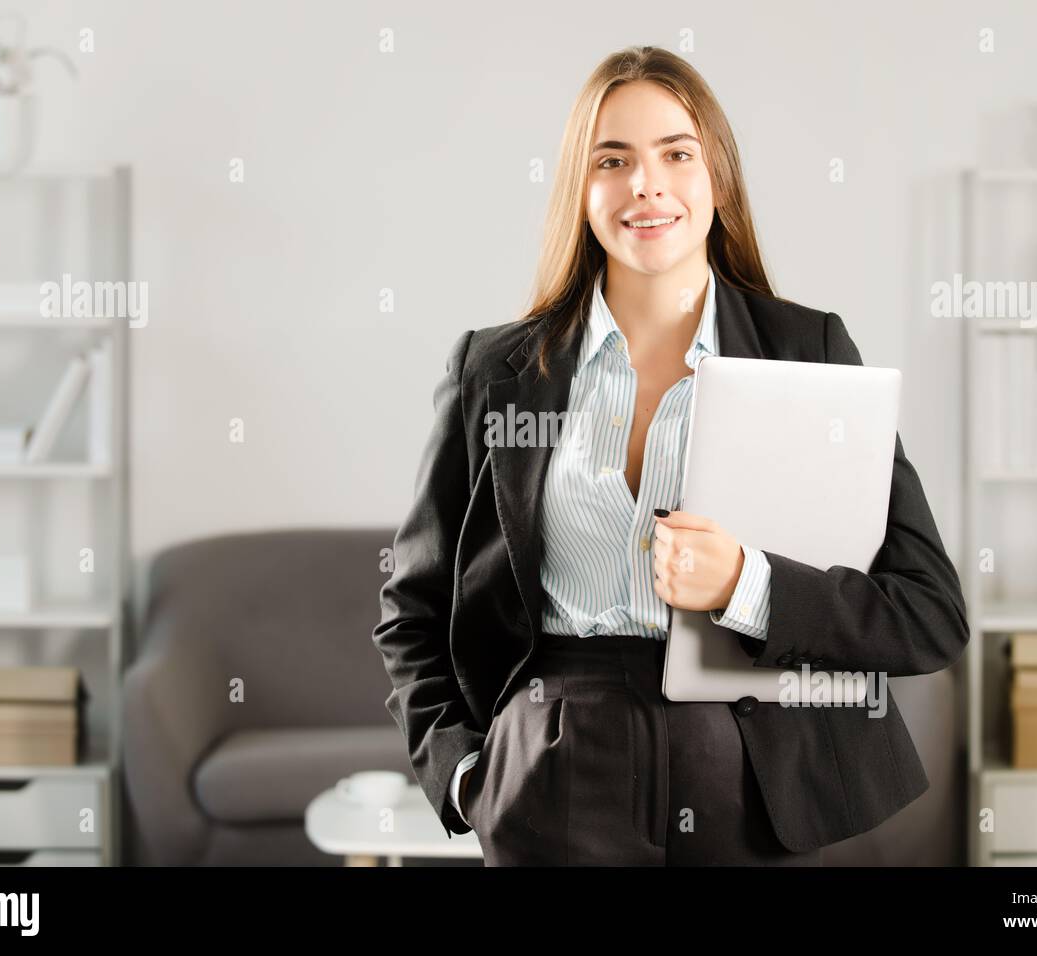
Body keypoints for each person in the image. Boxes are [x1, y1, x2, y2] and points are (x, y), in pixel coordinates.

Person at [373, 45, 969, 866]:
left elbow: (929, 613)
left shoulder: (809, 349)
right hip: (551, 775)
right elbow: (413, 608)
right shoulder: (492, 369)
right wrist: (466, 777)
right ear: (580, 191)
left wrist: (746, 584)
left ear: (714, 175)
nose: (645, 184)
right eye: (612, 160)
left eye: (676, 154)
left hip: (751, 780)